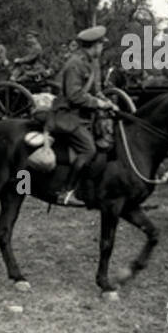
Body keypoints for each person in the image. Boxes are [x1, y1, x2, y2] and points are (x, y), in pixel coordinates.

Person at [51, 25, 114, 205]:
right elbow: (74, 95)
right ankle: (65, 192)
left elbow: (96, 91)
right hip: (67, 114)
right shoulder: (74, 64)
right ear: (94, 46)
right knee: (89, 149)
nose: (102, 49)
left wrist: (108, 102)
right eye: (101, 45)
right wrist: (98, 103)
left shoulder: (91, 63)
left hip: (83, 115)